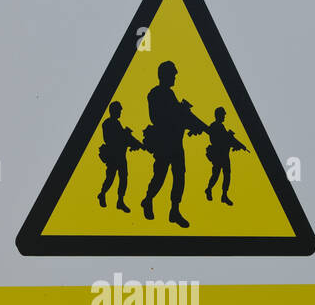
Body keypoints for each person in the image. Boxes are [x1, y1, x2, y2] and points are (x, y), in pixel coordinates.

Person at [140, 60, 207, 228]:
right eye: (173, 74)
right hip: (164, 144)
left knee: (179, 176)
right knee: (160, 176)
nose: (175, 77)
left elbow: (181, 116)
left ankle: (174, 211)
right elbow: (158, 117)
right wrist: (180, 116)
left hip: (176, 144)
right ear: (166, 75)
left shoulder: (170, 95)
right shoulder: (155, 94)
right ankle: (148, 200)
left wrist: (195, 125)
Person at [97, 101, 142, 212]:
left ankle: (120, 201)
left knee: (123, 179)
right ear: (114, 110)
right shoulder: (107, 123)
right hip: (113, 157)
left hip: (121, 157)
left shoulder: (117, 123)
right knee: (110, 178)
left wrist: (137, 144)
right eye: (119, 110)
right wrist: (125, 137)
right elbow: (111, 139)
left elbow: (125, 138)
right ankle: (102, 194)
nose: (120, 112)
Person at [204, 106, 247, 205]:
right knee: (217, 174)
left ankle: (224, 195)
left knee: (226, 175)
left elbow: (226, 140)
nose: (224, 116)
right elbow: (220, 140)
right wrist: (231, 141)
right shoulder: (215, 126)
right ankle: (209, 189)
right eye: (223, 114)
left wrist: (236, 145)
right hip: (219, 155)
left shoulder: (220, 127)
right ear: (219, 115)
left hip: (224, 155)